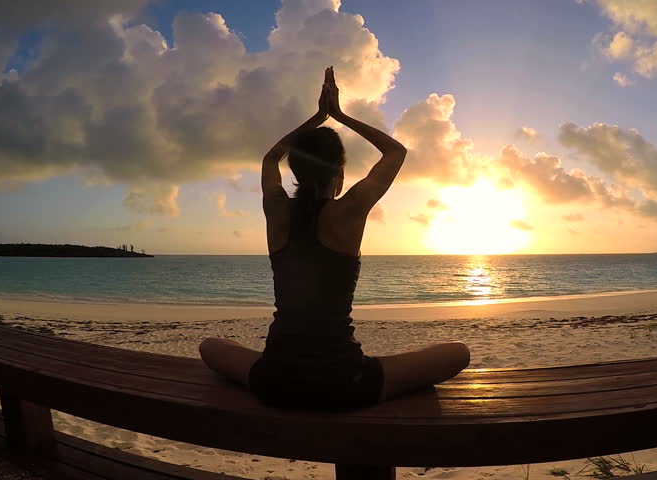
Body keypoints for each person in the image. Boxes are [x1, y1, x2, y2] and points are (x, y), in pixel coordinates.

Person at [199, 67, 470, 410]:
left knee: (210, 345)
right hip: (344, 381)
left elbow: (269, 158)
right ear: (339, 174)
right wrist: (340, 115)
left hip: (274, 379)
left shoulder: (277, 209)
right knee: (458, 353)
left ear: (295, 170)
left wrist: (315, 119)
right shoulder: (351, 209)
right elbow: (395, 152)